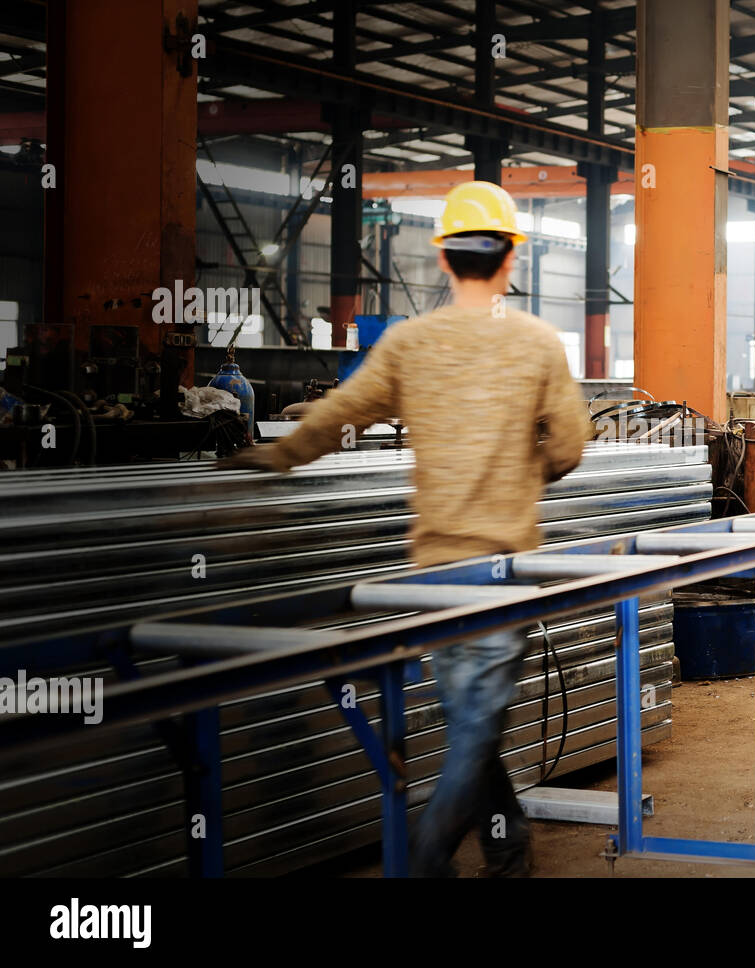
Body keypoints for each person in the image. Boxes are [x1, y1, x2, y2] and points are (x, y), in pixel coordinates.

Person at [221, 181, 591, 876]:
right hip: (500, 581)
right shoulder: (537, 344)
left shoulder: (409, 343)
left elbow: (337, 414)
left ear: (444, 260)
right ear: (511, 257)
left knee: (472, 737)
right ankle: (423, 867)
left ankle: (510, 854)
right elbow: (570, 445)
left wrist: (275, 453)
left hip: (431, 584)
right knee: (473, 742)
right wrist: (518, 480)